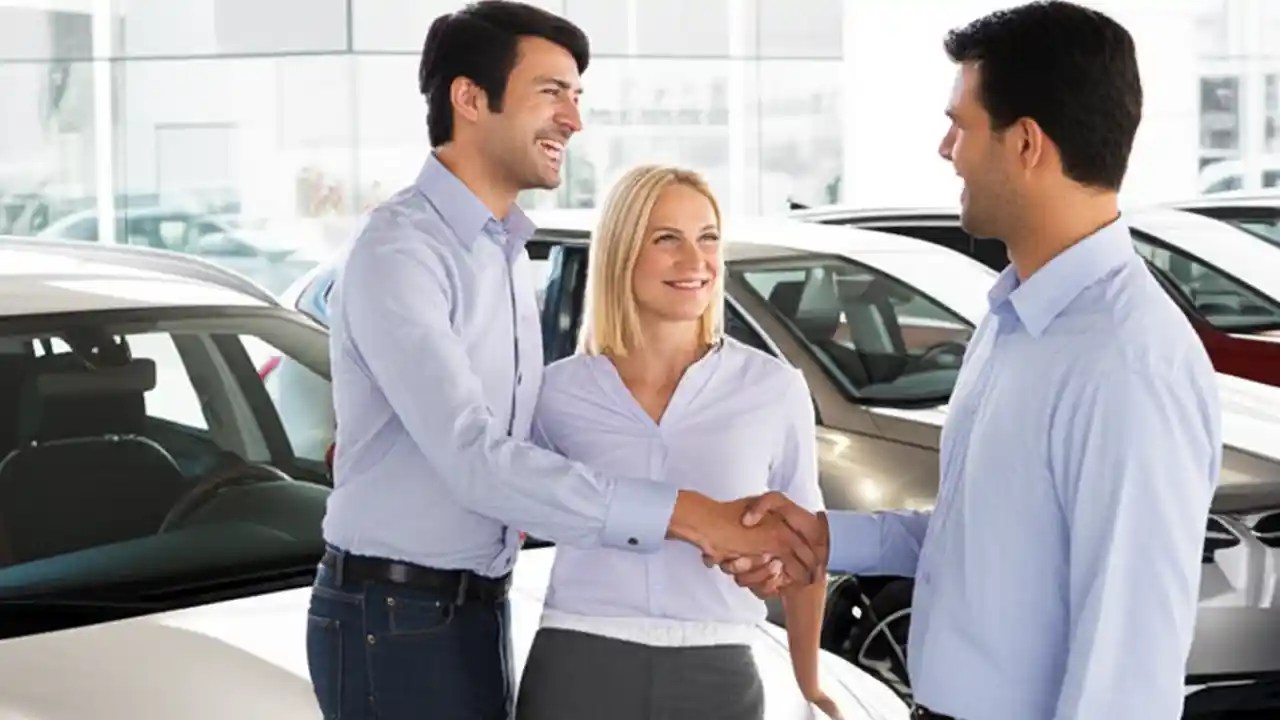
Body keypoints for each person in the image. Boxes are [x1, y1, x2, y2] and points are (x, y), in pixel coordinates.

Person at [306, 3, 823, 719]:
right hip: (396, 609)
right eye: (552, 93)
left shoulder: (504, 251)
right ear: (470, 99)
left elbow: (508, 456)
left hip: (468, 607)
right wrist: (689, 515)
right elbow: (474, 458)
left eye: (577, 97)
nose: (574, 121)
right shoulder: (402, 250)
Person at [720, 3, 1222, 719]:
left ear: (1025, 144)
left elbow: (1127, 665)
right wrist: (827, 535)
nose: (945, 148)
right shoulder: (1015, 317)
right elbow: (977, 534)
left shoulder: (1129, 362)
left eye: (961, 123)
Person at [512, 165, 841, 720]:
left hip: (717, 671)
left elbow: (808, 550)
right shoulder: (555, 392)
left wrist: (809, 682)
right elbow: (511, 507)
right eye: (667, 239)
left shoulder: (773, 388)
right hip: (578, 664)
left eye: (708, 238)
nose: (696, 261)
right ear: (621, 253)